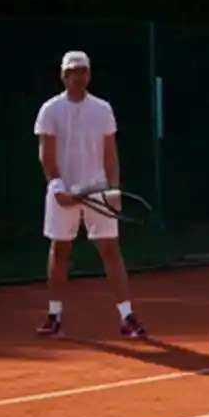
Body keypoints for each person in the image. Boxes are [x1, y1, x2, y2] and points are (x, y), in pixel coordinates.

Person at [33, 50, 146, 339]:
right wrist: (58, 188)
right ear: (64, 75)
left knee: (111, 250)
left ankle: (127, 317)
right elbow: (46, 156)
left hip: (97, 190)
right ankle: (54, 316)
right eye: (73, 72)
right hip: (63, 192)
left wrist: (113, 188)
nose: (79, 76)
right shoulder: (50, 110)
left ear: (89, 74)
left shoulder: (103, 109)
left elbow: (110, 153)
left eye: (83, 71)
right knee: (60, 251)